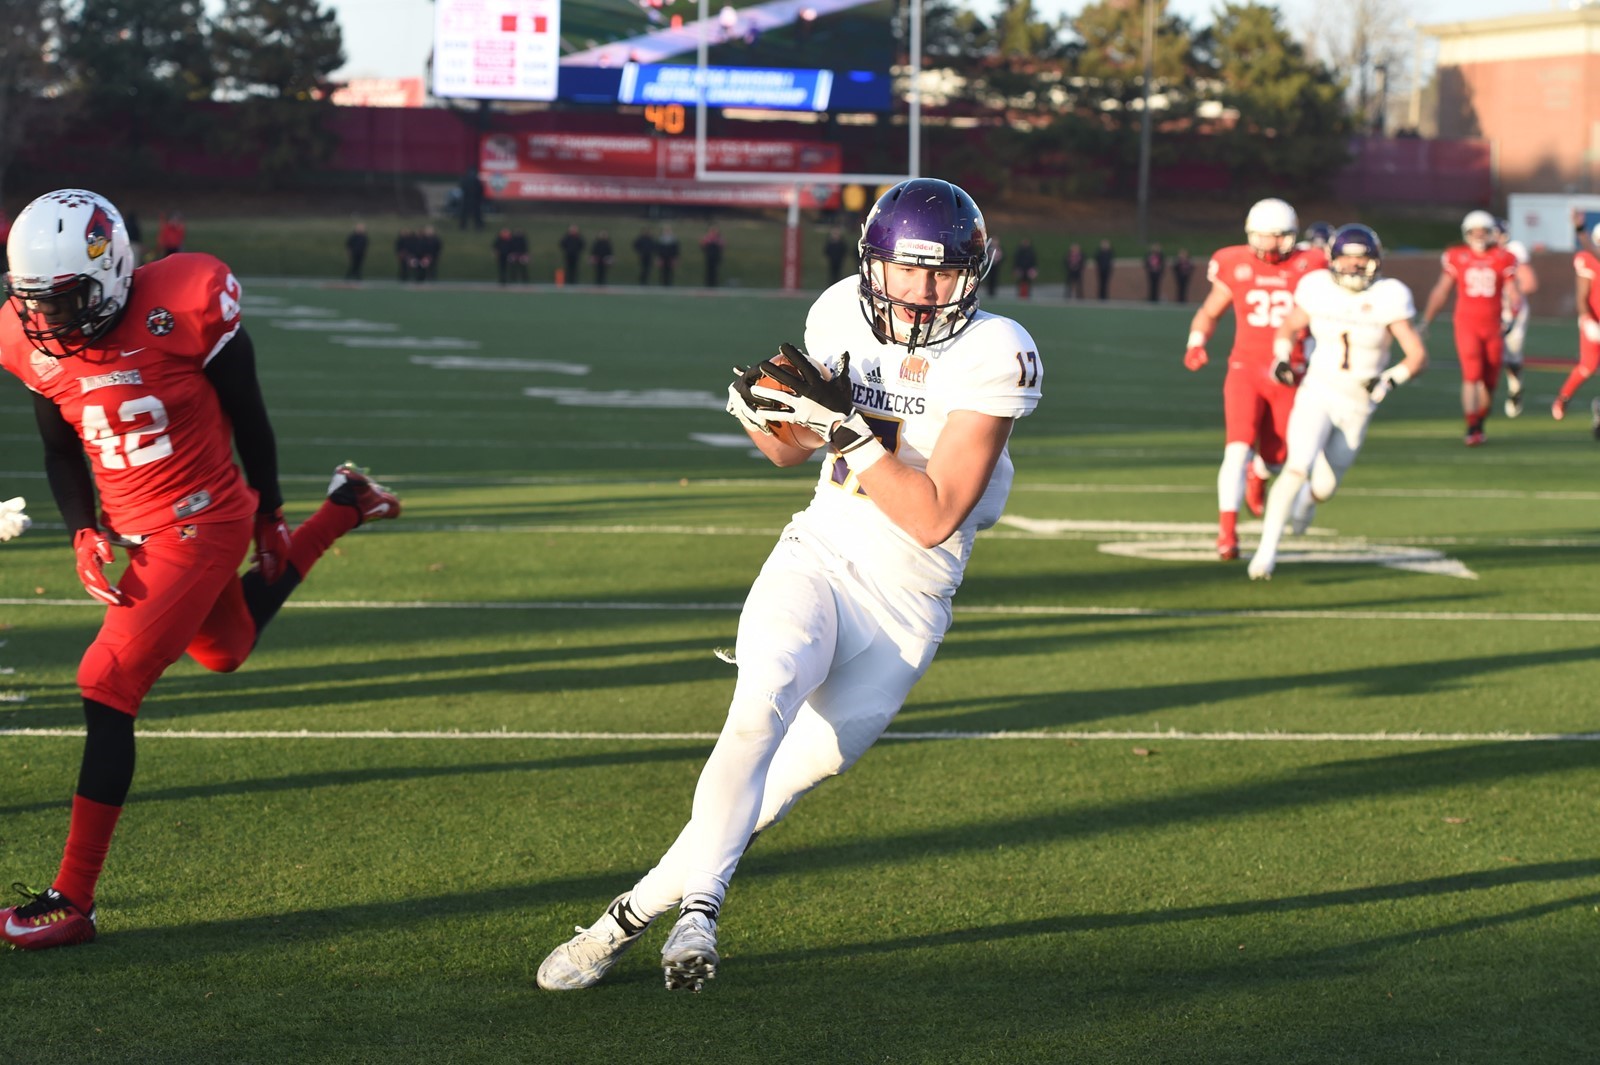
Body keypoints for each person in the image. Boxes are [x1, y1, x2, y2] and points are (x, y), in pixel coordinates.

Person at [534, 177, 1042, 994]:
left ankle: (620, 920)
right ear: (872, 264)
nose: (922, 290)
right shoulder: (839, 310)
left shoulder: (995, 349)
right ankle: (702, 910)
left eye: (943, 272)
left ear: (973, 274)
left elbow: (932, 515)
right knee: (758, 704)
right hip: (822, 550)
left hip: (909, 597)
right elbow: (788, 450)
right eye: (907, 270)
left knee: (791, 777)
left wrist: (846, 430)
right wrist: (757, 412)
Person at [0, 188, 402, 951]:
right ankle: (346, 504)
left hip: (200, 517)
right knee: (225, 649)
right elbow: (58, 448)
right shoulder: (31, 340)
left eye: (65, 298)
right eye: (34, 299)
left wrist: (269, 510)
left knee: (105, 679)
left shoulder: (184, 304)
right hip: (137, 526)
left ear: (111, 272)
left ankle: (73, 897)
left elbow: (249, 412)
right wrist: (82, 526)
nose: (47, 318)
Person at [1248, 225, 1427, 580]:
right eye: (1347, 259)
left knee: (1325, 487)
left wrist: (1390, 379)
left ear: (1375, 261)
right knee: (1296, 468)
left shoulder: (1389, 295)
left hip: (1357, 403)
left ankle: (1308, 502)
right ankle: (1266, 552)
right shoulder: (1317, 287)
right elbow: (1289, 328)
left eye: (1362, 259)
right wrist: (1282, 356)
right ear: (1333, 259)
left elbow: (1417, 355)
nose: (1354, 266)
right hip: (1318, 389)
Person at [1182, 198, 1327, 560]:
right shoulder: (1234, 263)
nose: (1270, 244)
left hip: (1290, 373)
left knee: (1279, 459)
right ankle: (1227, 532)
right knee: (1236, 449)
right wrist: (1196, 342)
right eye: (1264, 235)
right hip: (1245, 369)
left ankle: (1259, 473)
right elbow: (1210, 311)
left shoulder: (1311, 264)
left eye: (1278, 236)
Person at [1418, 209, 1522, 447]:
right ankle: (1472, 426)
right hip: (1467, 325)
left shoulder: (1503, 257)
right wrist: (1426, 320)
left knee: (1490, 381)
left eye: (1483, 231)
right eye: (1474, 231)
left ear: (1491, 232)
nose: (1479, 235)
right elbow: (1441, 290)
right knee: (1471, 375)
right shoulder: (1457, 256)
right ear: (1466, 233)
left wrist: (1512, 315)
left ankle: (1480, 420)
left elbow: (1513, 292)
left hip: (1493, 327)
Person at [1550, 220, 1600, 435]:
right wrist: (1587, 320)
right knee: (1588, 366)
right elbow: (1582, 296)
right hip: (1594, 321)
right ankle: (1563, 398)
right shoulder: (1588, 259)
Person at [1494, 217, 1539, 418]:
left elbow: (1529, 283)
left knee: (1512, 356)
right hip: (1490, 310)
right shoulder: (1483, 254)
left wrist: (1510, 295)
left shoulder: (1514, 250)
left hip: (1512, 310)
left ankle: (1515, 389)